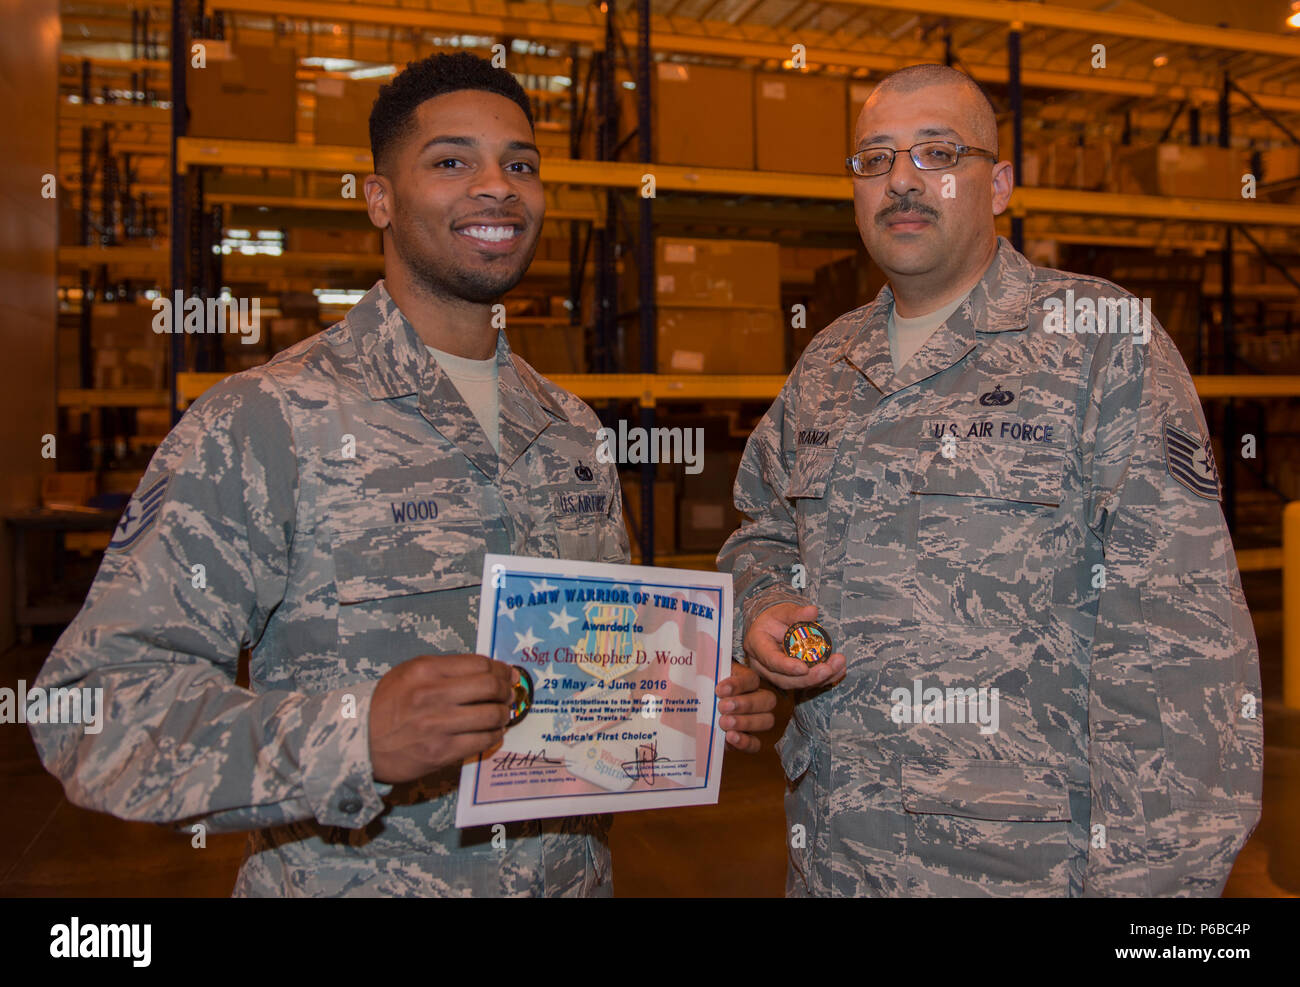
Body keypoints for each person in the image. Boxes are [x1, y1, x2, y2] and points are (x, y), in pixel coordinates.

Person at [29, 52, 775, 897]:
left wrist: (689, 698)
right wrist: (357, 736)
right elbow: (90, 711)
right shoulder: (265, 420)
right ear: (379, 198)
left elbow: (594, 665)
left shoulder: (570, 431)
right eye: (451, 161)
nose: (497, 187)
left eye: (519, 164)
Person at [718, 64, 1262, 897]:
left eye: (938, 151)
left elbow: (1185, 668)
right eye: (875, 160)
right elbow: (761, 525)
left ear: (1000, 183)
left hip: (1024, 874)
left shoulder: (1103, 348)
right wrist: (760, 607)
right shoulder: (828, 363)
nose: (902, 178)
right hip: (835, 862)